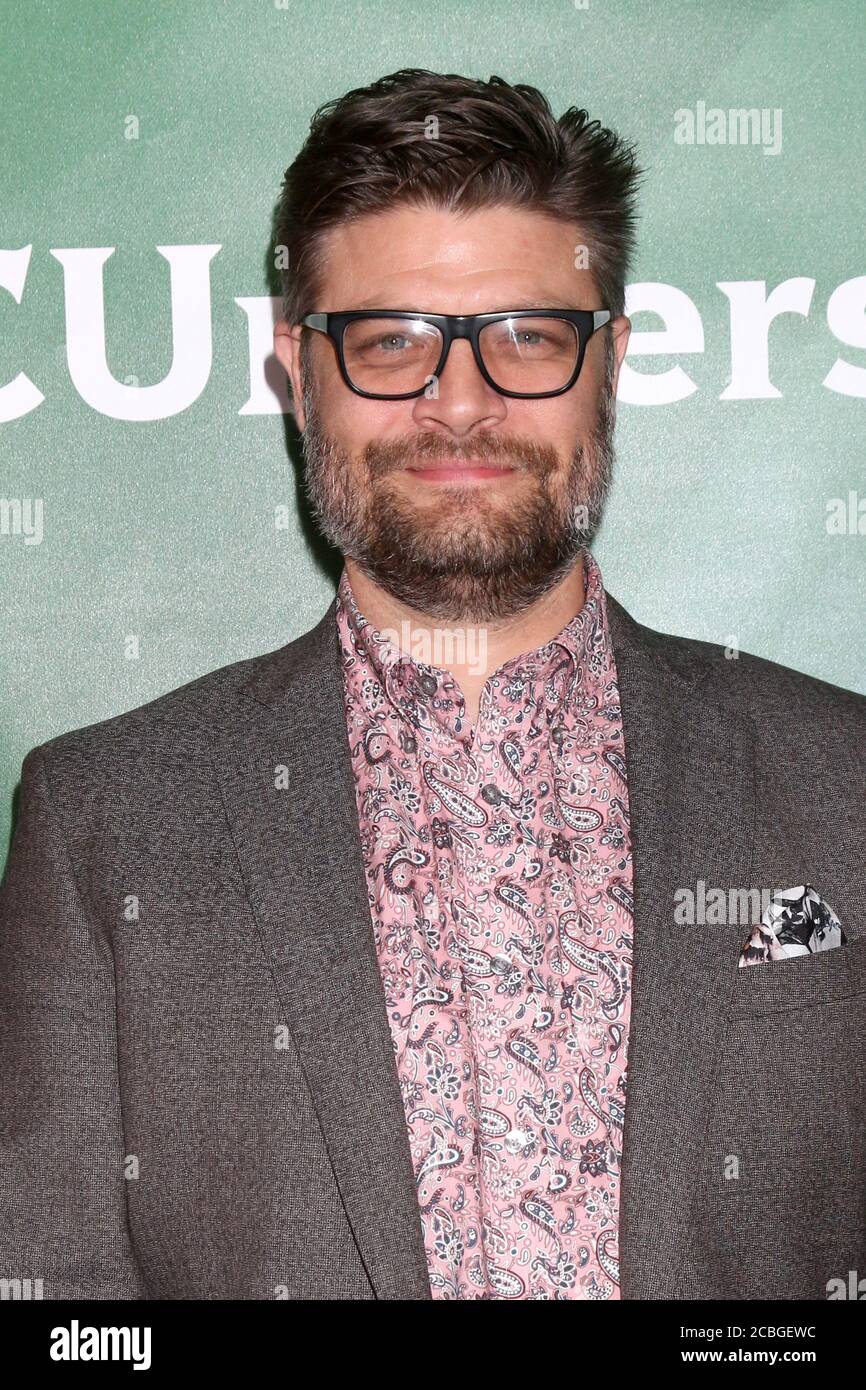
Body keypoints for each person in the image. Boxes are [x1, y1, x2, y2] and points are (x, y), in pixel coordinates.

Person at [1, 69, 863, 1302]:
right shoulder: (104, 821)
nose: (459, 404)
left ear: (607, 366)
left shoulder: (843, 780)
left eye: (526, 336)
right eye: (389, 341)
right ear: (298, 377)